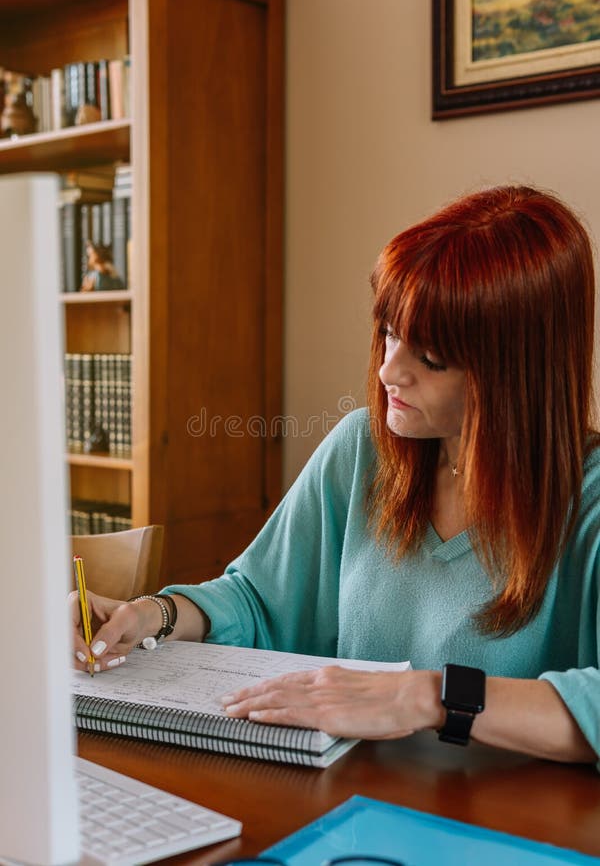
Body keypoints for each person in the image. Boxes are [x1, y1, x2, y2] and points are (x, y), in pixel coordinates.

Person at [72, 185, 600, 766]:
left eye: (430, 357)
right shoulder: (361, 448)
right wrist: (155, 614)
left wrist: (426, 695)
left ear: (519, 372)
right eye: (391, 333)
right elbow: (258, 600)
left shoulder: (589, 499)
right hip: (345, 813)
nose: (388, 370)